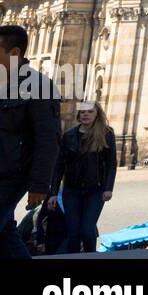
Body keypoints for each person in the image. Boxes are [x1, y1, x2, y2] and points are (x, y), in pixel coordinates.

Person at [0, 24, 61, 260]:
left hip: (11, 176)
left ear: (14, 53)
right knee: (5, 238)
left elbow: (48, 140)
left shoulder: (39, 86)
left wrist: (39, 185)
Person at [48, 100, 116, 254]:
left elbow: (112, 163)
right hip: (71, 190)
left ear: (97, 114)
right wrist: (53, 193)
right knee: (73, 233)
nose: (86, 114)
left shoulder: (106, 134)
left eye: (90, 111)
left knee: (87, 230)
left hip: (95, 190)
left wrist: (108, 188)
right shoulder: (69, 136)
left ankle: (91, 256)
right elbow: (59, 165)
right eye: (83, 112)